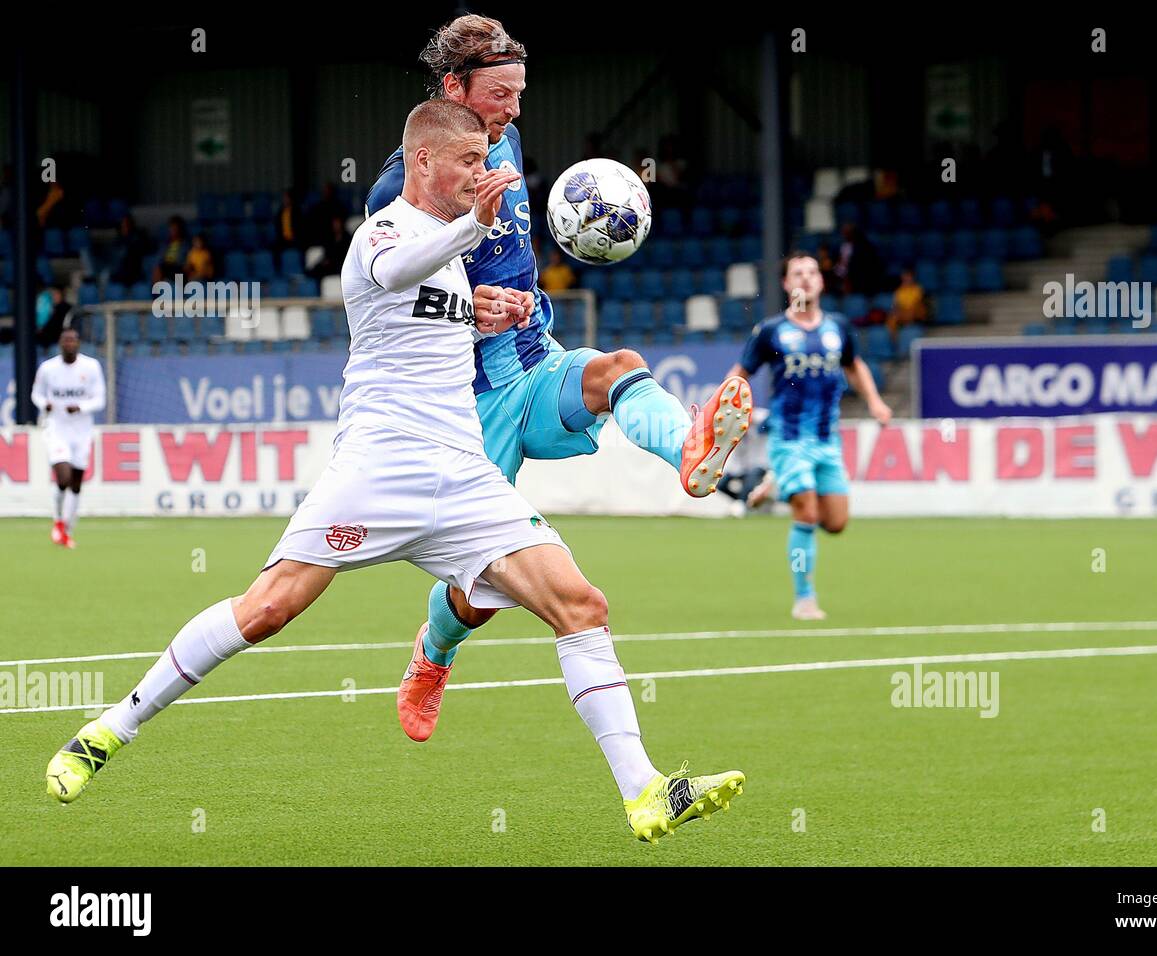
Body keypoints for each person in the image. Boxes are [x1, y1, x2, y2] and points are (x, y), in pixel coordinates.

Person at [44, 100, 744, 844]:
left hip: (464, 476)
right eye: (470, 162)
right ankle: (110, 728)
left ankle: (644, 791)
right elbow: (393, 269)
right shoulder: (382, 230)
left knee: (581, 604)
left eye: (487, 161)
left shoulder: (447, 252)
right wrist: (474, 224)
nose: (484, 173)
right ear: (424, 164)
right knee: (267, 609)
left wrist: (487, 309)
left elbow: (431, 306)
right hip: (379, 470)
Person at [365, 14, 753, 676]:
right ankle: (433, 653)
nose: (514, 110)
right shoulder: (401, 184)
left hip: (533, 357)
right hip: (467, 399)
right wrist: (468, 310)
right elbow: (386, 300)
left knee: (618, 369)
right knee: (481, 591)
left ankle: (689, 453)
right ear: (454, 87)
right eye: (500, 94)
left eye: (520, 93)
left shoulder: (506, 140)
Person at [730, 254, 892, 620]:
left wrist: (875, 402)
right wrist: (721, 406)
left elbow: (854, 365)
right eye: (797, 273)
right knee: (806, 511)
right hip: (787, 438)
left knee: (835, 523)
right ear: (787, 285)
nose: (805, 279)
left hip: (826, 441)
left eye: (812, 272)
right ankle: (805, 598)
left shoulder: (838, 328)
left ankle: (776, 485)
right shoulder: (772, 331)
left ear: (821, 282)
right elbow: (741, 372)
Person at [31, 327, 104, 549]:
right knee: (63, 477)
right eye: (66, 341)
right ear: (60, 344)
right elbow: (36, 394)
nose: (69, 344)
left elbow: (100, 400)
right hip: (56, 428)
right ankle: (58, 521)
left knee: (76, 483)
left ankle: (67, 528)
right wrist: (45, 404)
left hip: (82, 431)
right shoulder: (48, 368)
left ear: (79, 344)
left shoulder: (91, 367)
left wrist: (80, 407)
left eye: (73, 340)